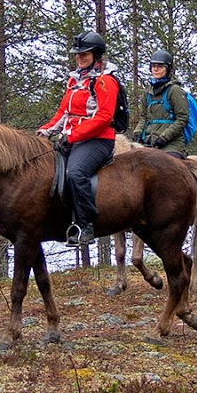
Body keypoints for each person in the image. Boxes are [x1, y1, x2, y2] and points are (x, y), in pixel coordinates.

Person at [35, 31, 120, 248]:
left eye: (85, 54)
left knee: (75, 172)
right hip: (75, 138)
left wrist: (72, 135)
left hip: (99, 140)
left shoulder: (105, 81)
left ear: (96, 55)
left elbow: (103, 117)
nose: (80, 57)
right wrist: (46, 130)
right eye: (78, 54)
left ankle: (87, 224)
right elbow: (64, 113)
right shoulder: (75, 81)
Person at [130, 49, 190, 158]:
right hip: (149, 143)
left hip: (171, 145)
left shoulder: (175, 90)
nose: (156, 69)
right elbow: (144, 117)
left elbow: (182, 118)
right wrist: (137, 132)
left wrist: (164, 137)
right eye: (153, 66)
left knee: (170, 170)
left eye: (160, 66)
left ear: (168, 69)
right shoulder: (147, 92)